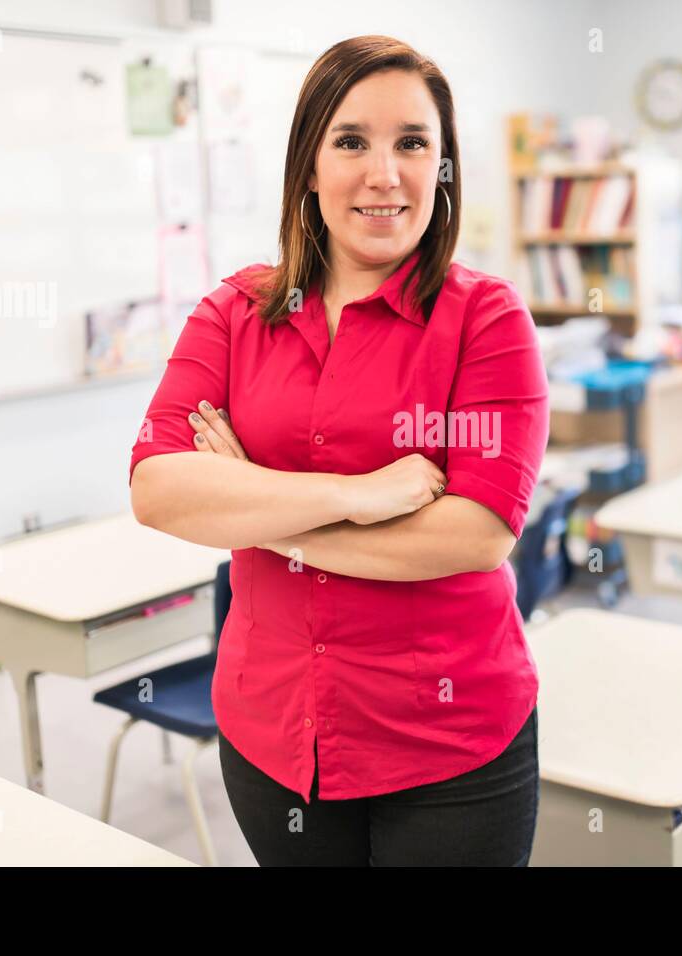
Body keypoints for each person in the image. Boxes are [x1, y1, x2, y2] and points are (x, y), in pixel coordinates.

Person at [129, 35, 549, 866]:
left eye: (412, 143)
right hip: (271, 736)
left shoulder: (487, 322)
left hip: (449, 748)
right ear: (309, 166)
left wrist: (255, 499)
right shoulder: (234, 313)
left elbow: (474, 535)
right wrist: (352, 494)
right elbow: (159, 489)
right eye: (351, 141)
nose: (383, 173)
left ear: (444, 168)